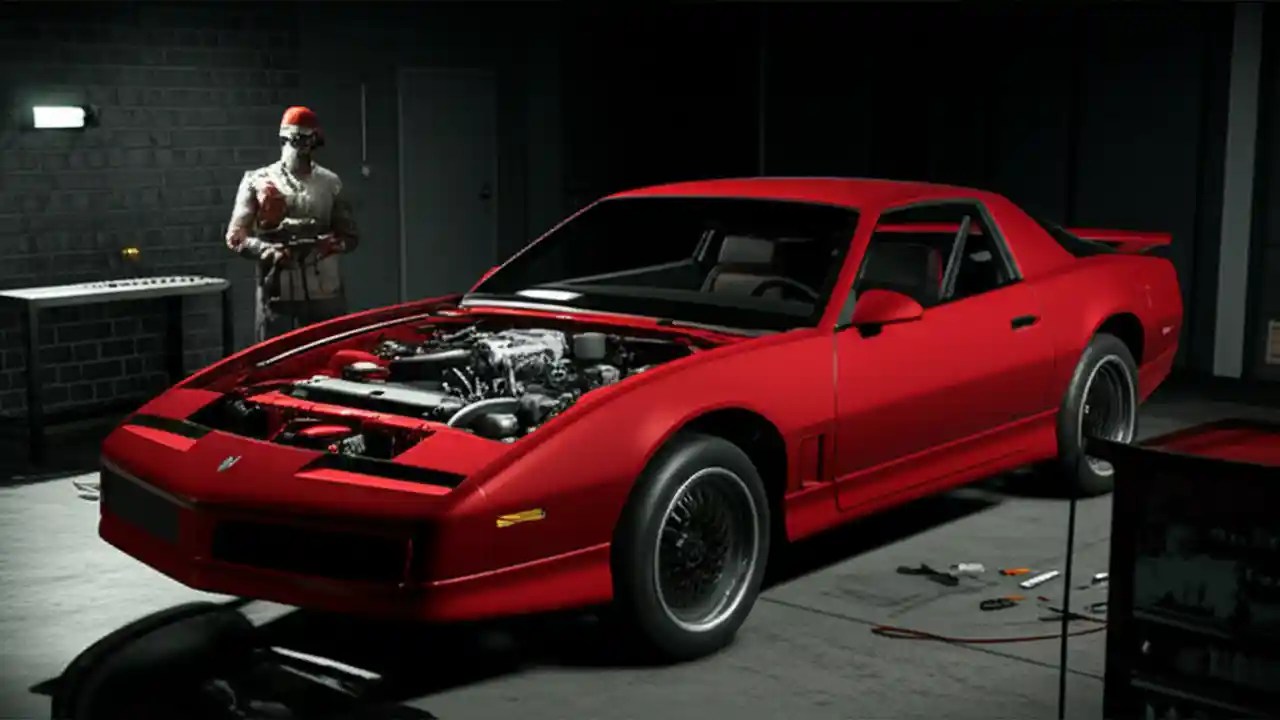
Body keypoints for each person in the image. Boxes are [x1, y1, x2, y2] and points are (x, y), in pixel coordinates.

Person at [224, 106, 360, 341]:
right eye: (297, 139)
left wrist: (330, 245)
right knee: (277, 355)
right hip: (279, 293)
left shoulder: (330, 183)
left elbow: (350, 236)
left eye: (308, 139)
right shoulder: (257, 181)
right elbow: (236, 237)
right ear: (284, 138)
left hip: (324, 292)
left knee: (327, 350)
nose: (302, 146)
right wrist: (267, 250)